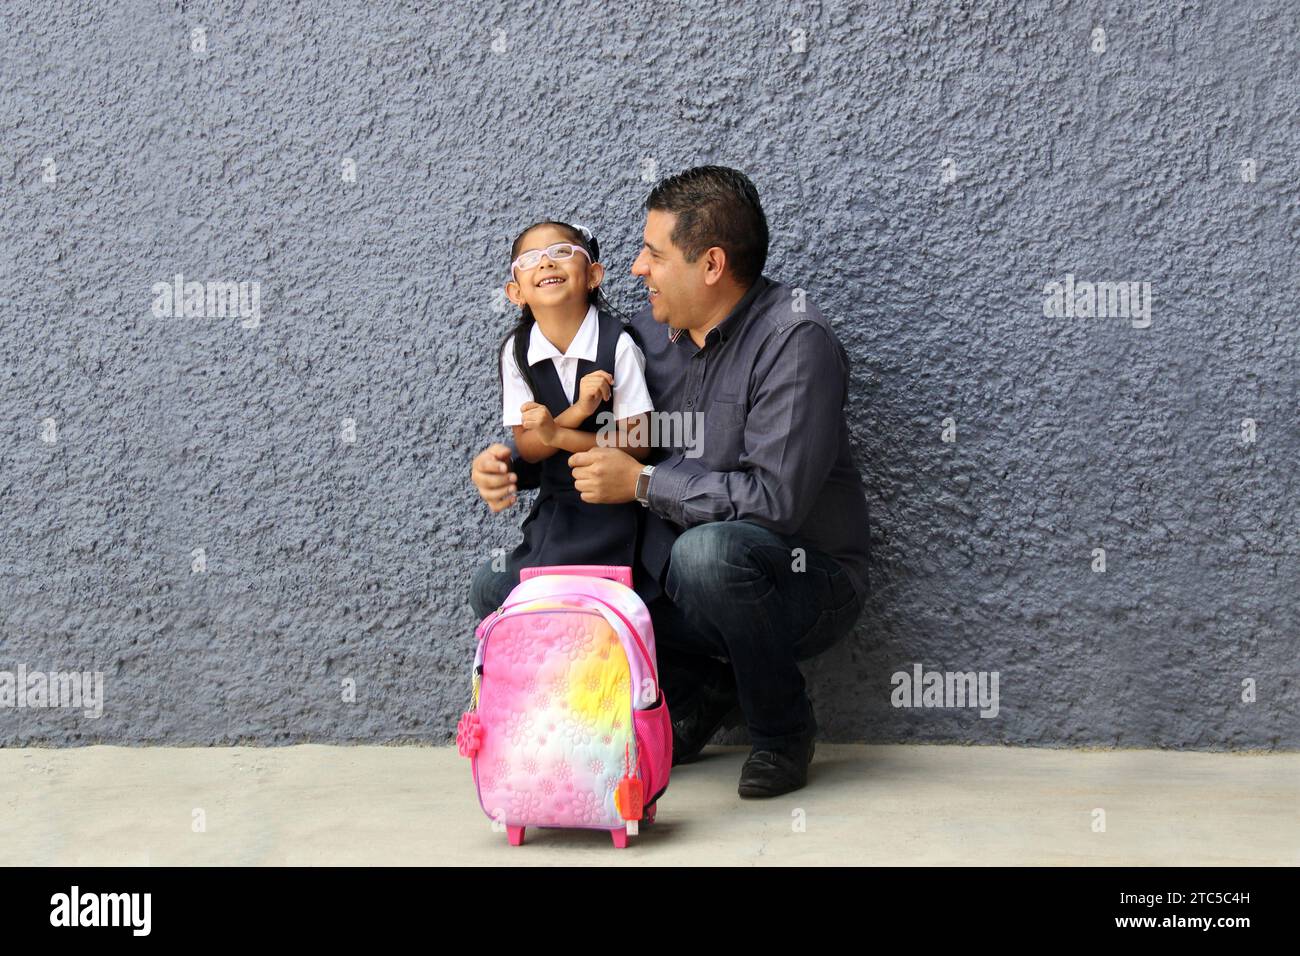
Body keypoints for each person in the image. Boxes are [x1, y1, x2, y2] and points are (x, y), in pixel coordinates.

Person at [471, 167, 871, 798]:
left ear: (711, 264)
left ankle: (782, 729)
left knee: (709, 556)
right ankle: (691, 690)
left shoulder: (795, 341)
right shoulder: (647, 334)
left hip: (798, 578)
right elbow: (598, 436)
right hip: (669, 566)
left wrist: (640, 484)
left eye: (653, 254)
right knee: (507, 586)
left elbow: (775, 504)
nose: (637, 269)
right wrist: (511, 466)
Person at [467, 219, 660, 616]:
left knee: (605, 605)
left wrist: (557, 432)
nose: (547, 264)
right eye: (531, 259)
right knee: (527, 601)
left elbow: (638, 445)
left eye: (561, 253)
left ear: (593, 275)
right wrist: (575, 415)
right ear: (515, 292)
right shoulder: (517, 353)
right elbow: (530, 447)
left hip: (617, 505)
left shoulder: (617, 344)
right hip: (559, 509)